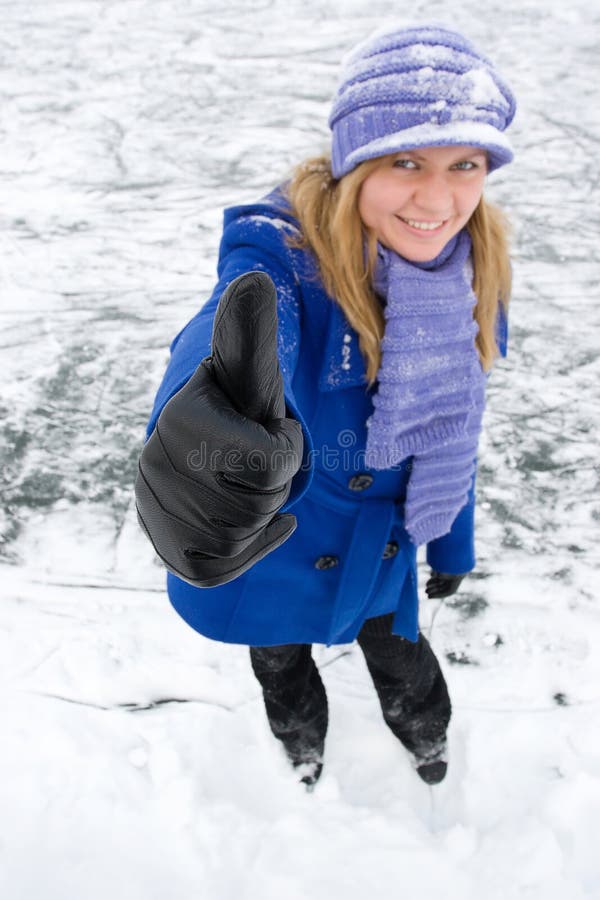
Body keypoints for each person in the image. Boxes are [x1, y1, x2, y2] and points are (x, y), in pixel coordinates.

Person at [135, 24, 516, 789]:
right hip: (274, 550)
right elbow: (236, 328)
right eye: (406, 160)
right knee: (281, 665)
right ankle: (301, 748)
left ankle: (427, 740)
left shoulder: (472, 278)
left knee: (404, 664)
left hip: (381, 552)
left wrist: (452, 545)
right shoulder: (286, 266)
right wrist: (201, 439)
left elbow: (451, 430)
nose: (438, 197)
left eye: (465, 164)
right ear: (356, 162)